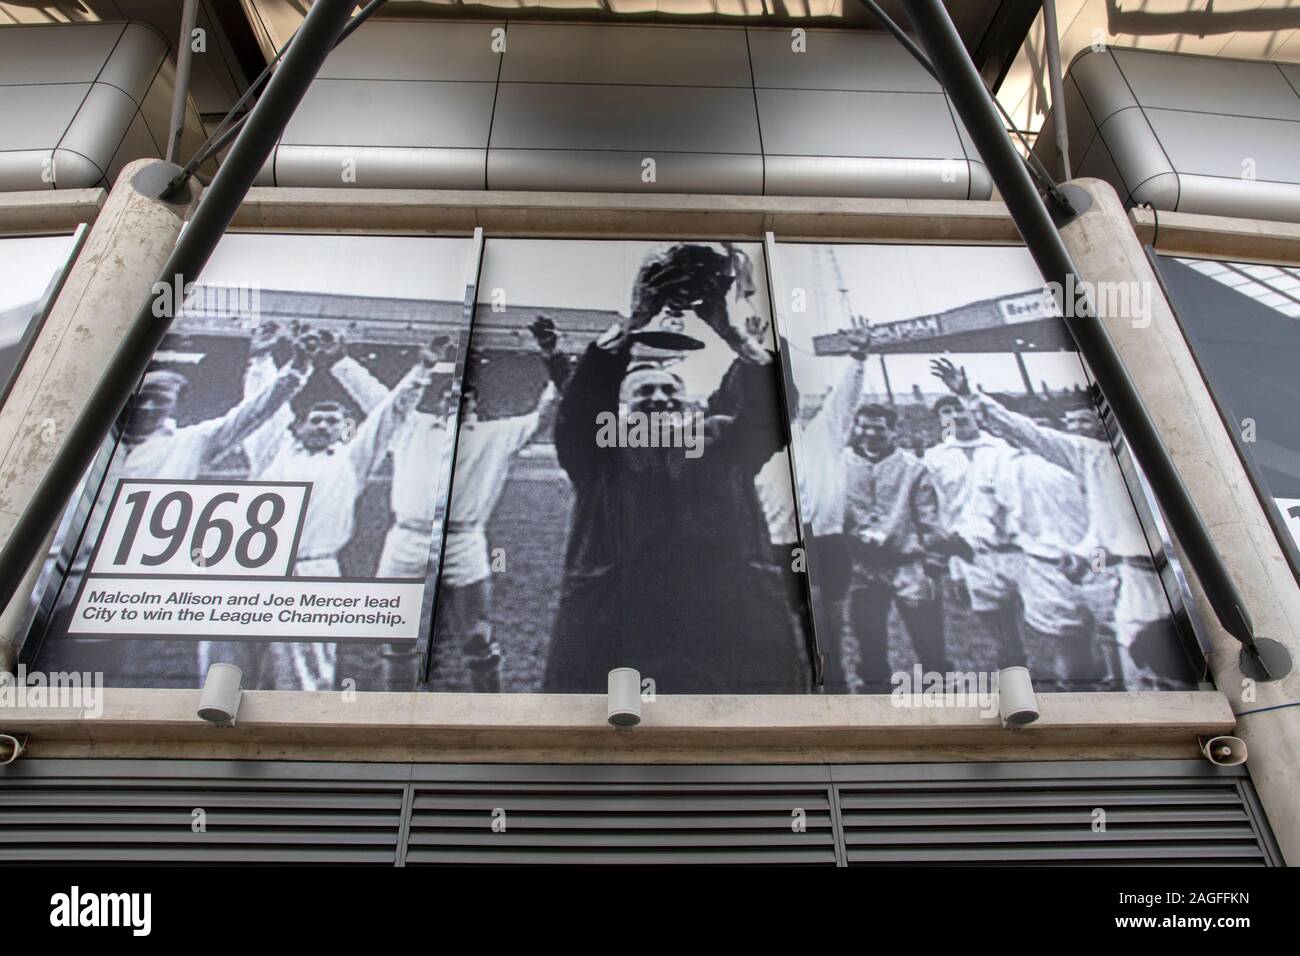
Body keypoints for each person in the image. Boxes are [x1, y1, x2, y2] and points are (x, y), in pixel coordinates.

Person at [541, 242, 807, 694]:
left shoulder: (722, 440)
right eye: (645, 393)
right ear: (622, 407)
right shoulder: (599, 452)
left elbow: (775, 414)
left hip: (725, 624)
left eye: (670, 391)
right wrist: (631, 328)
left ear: (687, 403)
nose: (660, 399)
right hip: (623, 624)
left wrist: (735, 338)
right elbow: (578, 411)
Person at [931, 357, 1178, 688]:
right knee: (1138, 671)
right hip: (1125, 576)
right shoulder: (1090, 455)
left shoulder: (1175, 455)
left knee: (1188, 673)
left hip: (1177, 579)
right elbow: (1025, 433)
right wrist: (969, 395)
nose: (1079, 426)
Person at [240, 332, 436, 690]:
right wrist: (261, 359)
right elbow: (261, 407)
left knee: (308, 670)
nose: (323, 426)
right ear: (299, 425)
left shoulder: (350, 462)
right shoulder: (272, 452)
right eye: (316, 419)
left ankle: (303, 733)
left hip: (316, 568)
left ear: (343, 430)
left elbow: (389, 415)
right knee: (243, 664)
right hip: (258, 566)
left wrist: (421, 371)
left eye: (332, 421)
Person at [841, 401, 953, 691]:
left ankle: (938, 683)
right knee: (868, 633)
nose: (869, 433)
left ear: (892, 432)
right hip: (863, 564)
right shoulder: (840, 463)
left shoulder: (913, 467)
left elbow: (928, 517)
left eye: (878, 428)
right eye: (864, 426)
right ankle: (876, 687)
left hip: (907, 561)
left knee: (925, 632)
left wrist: (934, 560)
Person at [922, 391, 1024, 669]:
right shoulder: (934, 457)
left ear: (973, 410)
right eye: (945, 412)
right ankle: (1012, 663)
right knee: (992, 616)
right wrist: (953, 564)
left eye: (958, 408)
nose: (954, 415)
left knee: (1033, 615)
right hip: (969, 551)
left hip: (1015, 547)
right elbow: (936, 508)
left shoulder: (1003, 450)